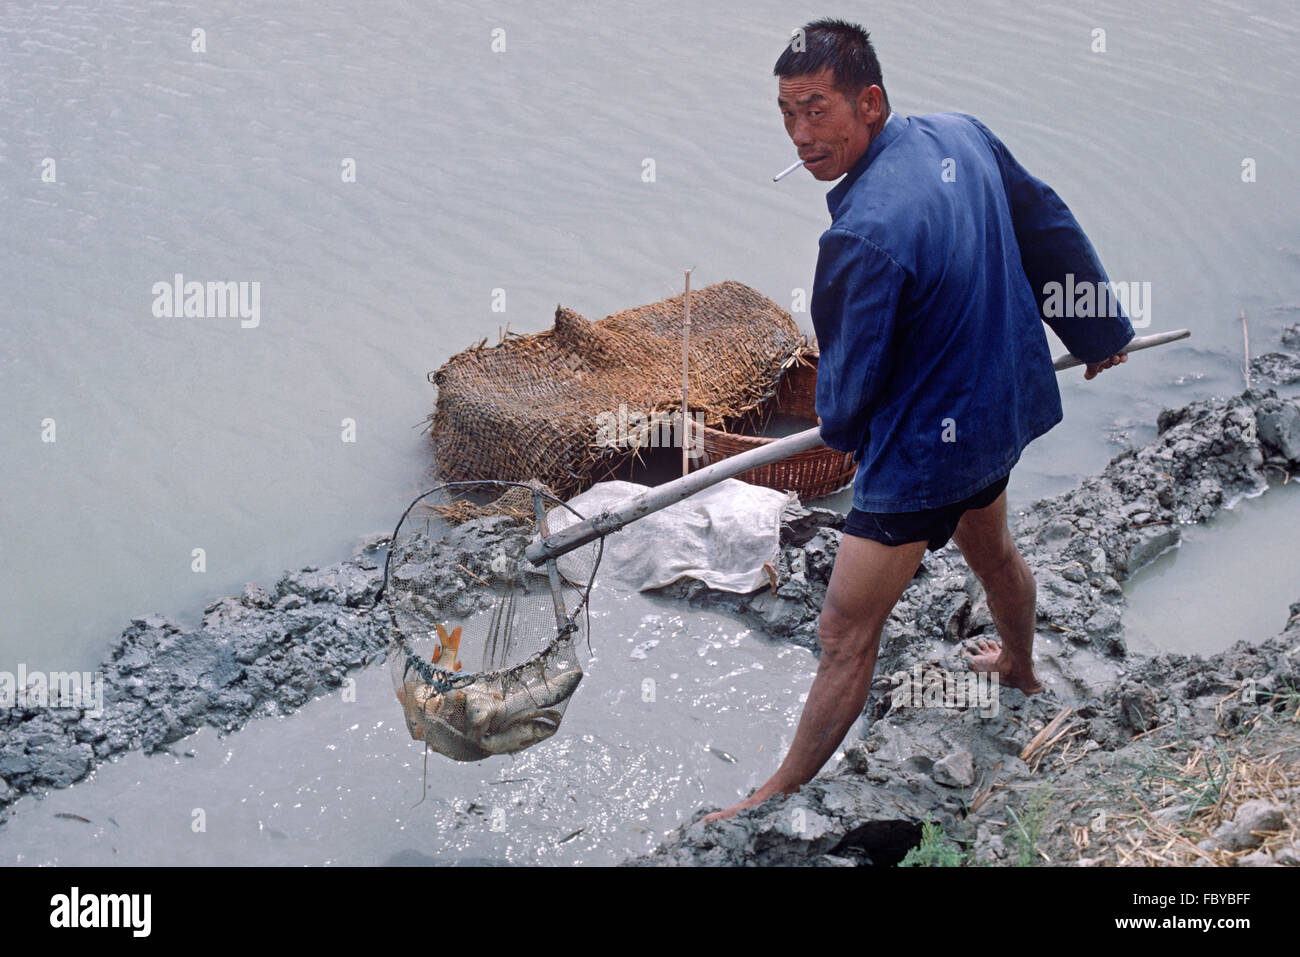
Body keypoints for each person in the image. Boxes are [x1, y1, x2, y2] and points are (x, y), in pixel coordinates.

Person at [702, 19, 1133, 823]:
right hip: (1000, 411)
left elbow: (848, 400)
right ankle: (1020, 667)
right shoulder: (961, 137)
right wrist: (1099, 329)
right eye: (788, 113)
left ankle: (772, 794)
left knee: (843, 629)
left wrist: (852, 435)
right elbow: (1046, 224)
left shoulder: (862, 233)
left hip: (928, 456)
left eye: (817, 110)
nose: (801, 135)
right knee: (993, 548)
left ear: (869, 102)